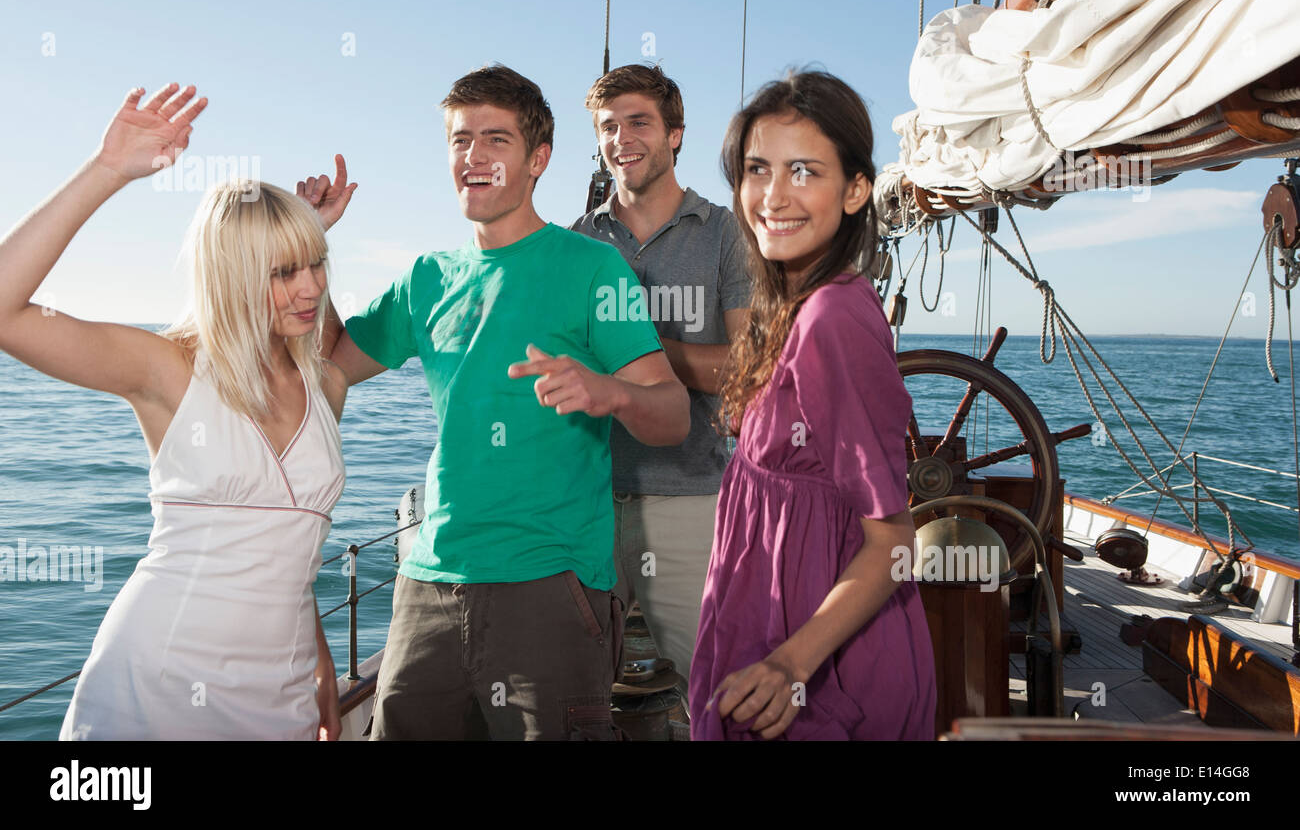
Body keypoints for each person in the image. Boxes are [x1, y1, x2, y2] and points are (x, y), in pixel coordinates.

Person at [302, 64, 690, 740]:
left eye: (495, 139)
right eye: (460, 139)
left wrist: (610, 391)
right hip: (429, 579)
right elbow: (328, 363)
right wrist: (310, 240)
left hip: (551, 584)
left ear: (538, 159)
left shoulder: (593, 268)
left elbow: (673, 414)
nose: (473, 156)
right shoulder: (427, 278)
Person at [0, 84, 348, 740]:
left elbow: (290, 557)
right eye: (283, 272)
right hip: (156, 681)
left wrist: (322, 666)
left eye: (317, 263)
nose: (311, 288)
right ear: (235, 273)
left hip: (284, 688)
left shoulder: (326, 385)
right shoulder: (168, 369)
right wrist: (107, 170)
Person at [689, 70, 937, 740]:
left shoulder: (832, 317)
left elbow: (893, 544)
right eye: (757, 169)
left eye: (804, 171)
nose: (773, 195)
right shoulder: (789, 306)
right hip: (769, 628)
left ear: (855, 190)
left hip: (818, 664)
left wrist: (789, 666)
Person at [570, 63, 749, 693]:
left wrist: (634, 349)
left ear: (675, 134)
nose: (621, 139)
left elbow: (746, 370)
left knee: (718, 690)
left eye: (639, 122)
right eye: (608, 126)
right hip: (587, 500)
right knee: (573, 691)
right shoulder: (577, 241)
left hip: (692, 496)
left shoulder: (726, 232)